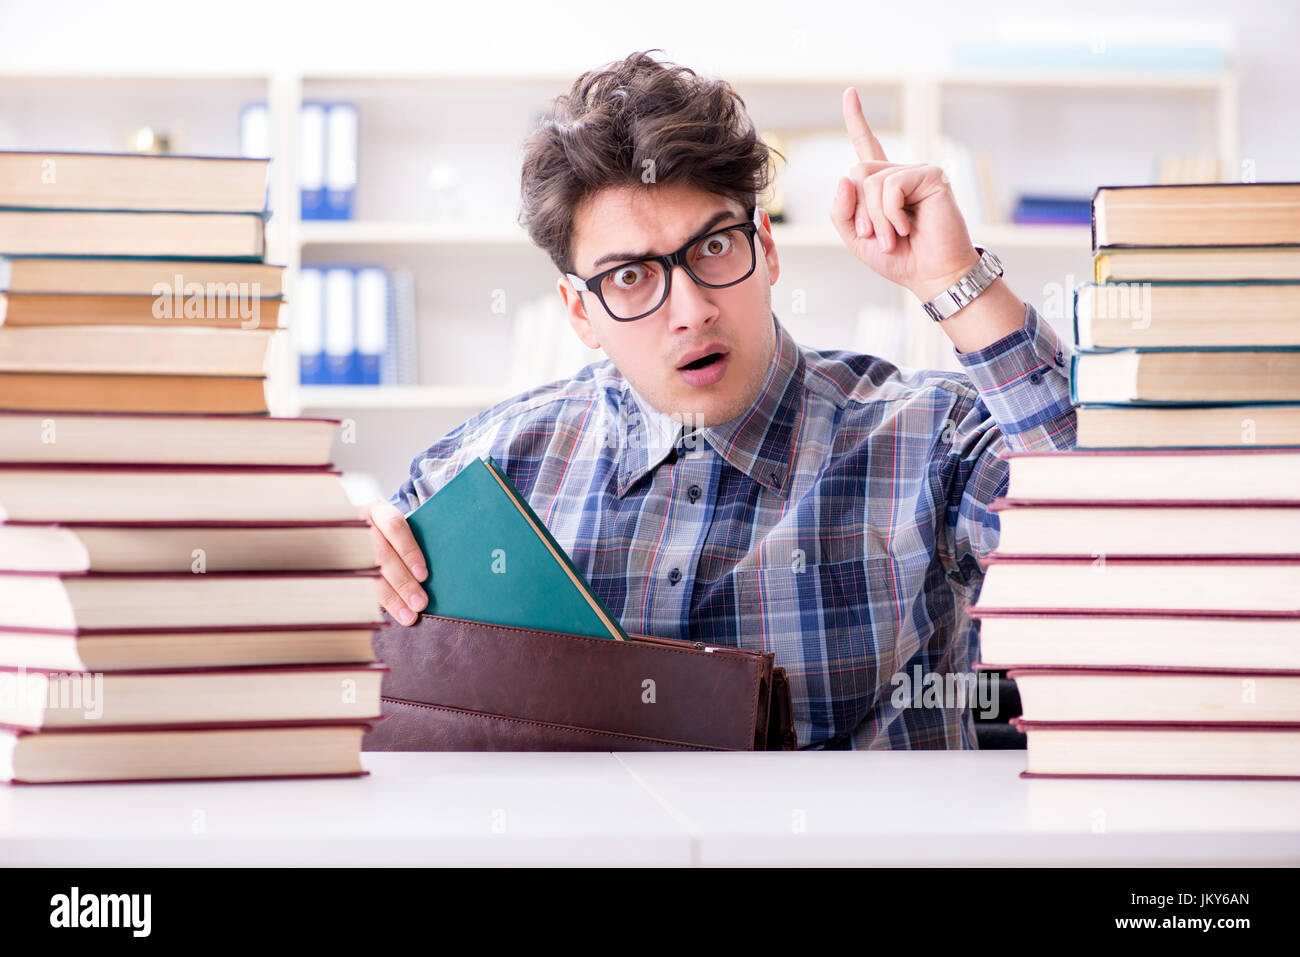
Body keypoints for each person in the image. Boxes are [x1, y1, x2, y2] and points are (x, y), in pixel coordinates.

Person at [362, 50, 1077, 750]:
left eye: (712, 249)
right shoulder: (484, 479)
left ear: (765, 247)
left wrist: (954, 277)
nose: (691, 309)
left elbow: (1110, 533)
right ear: (579, 314)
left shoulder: (927, 437)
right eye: (632, 276)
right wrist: (336, 577)